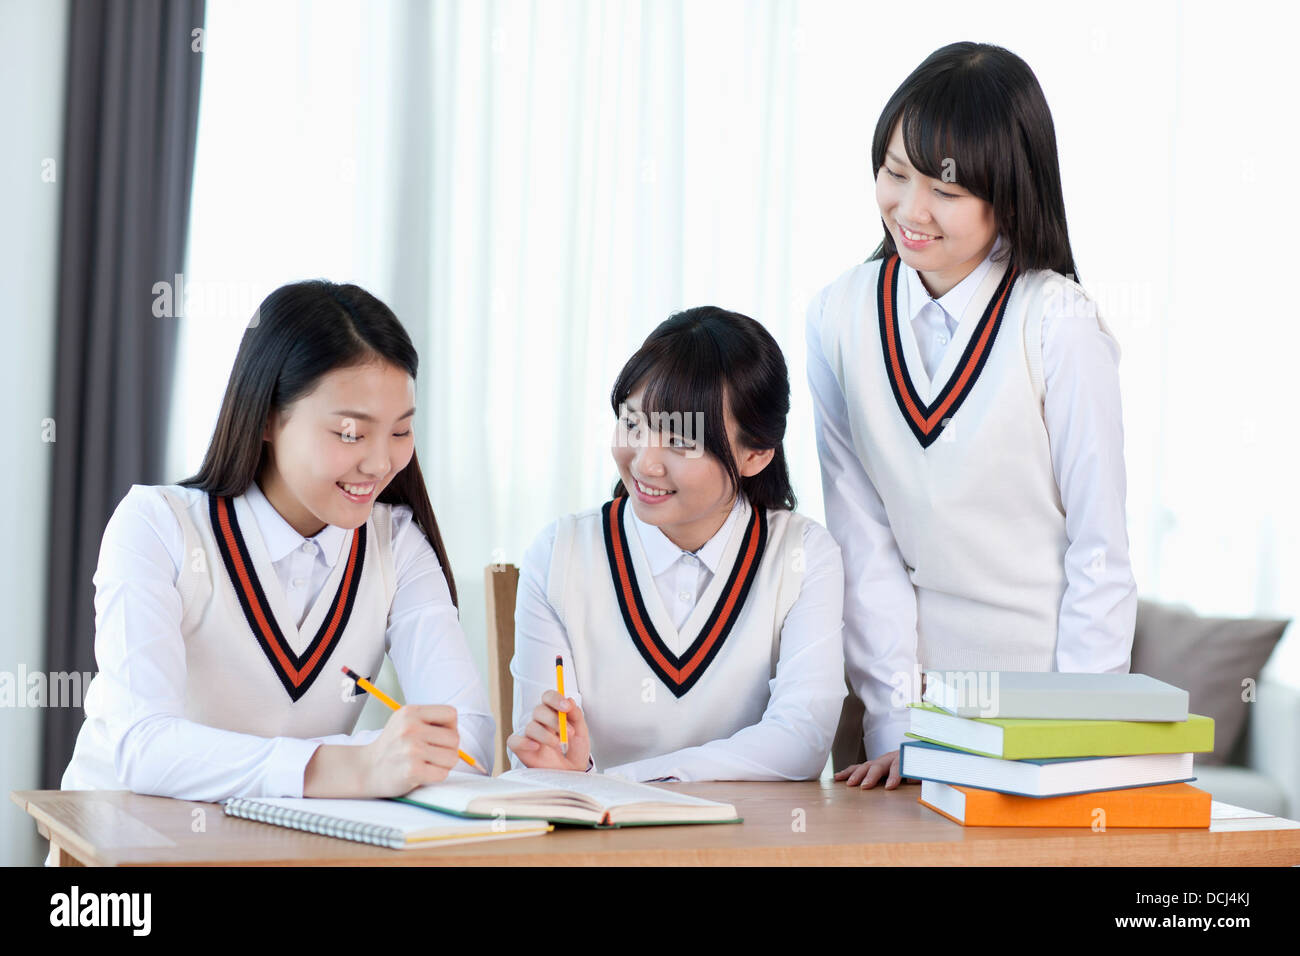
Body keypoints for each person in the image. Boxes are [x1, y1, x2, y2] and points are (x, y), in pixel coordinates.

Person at [806, 42, 1137, 790]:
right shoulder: (837, 316)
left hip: (1051, 720)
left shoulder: (1059, 324)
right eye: (894, 173)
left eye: (945, 191)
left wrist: (1072, 742)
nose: (909, 210)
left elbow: (1099, 552)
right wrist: (899, 725)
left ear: (1009, 194)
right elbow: (865, 543)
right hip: (918, 722)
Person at [60, 280, 494, 809]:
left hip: (277, 847)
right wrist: (356, 764)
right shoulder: (157, 526)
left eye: (400, 432)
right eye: (352, 434)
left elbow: (466, 738)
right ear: (266, 417)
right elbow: (144, 746)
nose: (381, 463)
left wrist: (368, 763)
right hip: (124, 850)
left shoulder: (397, 544)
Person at [508, 306, 845, 781]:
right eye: (632, 424)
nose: (644, 463)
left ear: (757, 454)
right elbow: (542, 760)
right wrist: (568, 765)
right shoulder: (561, 553)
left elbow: (801, 742)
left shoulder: (804, 555)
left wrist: (610, 781)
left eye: (680, 442)